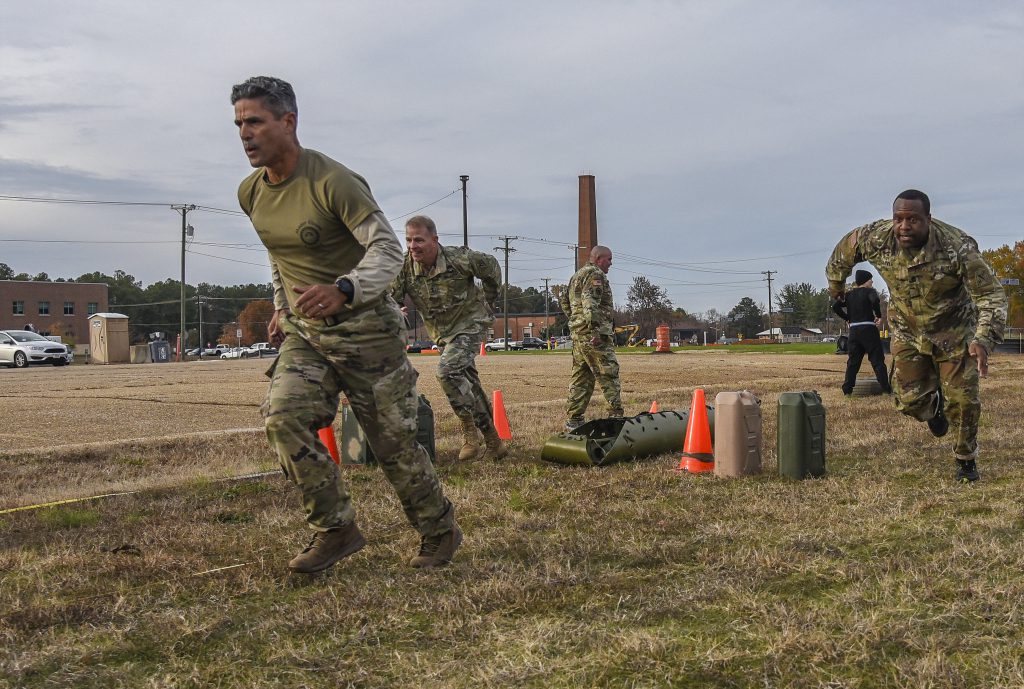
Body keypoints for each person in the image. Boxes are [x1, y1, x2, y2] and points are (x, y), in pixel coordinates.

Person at [231, 75, 460, 573]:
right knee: (283, 416)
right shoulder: (251, 193)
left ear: (288, 122)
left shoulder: (332, 182)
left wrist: (345, 287)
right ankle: (336, 529)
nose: (244, 134)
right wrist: (279, 305)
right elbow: (279, 257)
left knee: (393, 445)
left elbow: (386, 249)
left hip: (369, 333)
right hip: (309, 336)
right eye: (238, 124)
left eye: (254, 122)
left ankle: (439, 530)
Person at [825, 189, 1006, 482]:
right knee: (908, 401)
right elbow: (841, 255)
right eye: (899, 219)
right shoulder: (876, 237)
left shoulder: (957, 248)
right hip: (908, 331)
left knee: (963, 401)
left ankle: (965, 460)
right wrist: (835, 287)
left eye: (913, 220)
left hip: (953, 331)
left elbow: (992, 295)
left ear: (929, 220)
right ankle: (934, 410)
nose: (904, 226)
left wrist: (983, 338)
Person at [390, 216, 507, 462]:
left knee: (447, 372)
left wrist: (491, 298)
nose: (413, 246)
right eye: (409, 240)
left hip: (471, 323)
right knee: (469, 384)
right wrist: (395, 311)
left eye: (419, 240)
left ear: (434, 240)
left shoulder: (459, 259)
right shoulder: (403, 267)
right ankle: (494, 442)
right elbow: (391, 297)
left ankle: (469, 433)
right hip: (443, 334)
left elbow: (492, 267)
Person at [564, 245, 624, 430]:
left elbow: (565, 301)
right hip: (594, 335)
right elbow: (590, 303)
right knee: (608, 373)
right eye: (609, 259)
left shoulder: (577, 275)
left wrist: (576, 322)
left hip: (579, 334)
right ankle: (615, 416)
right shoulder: (595, 275)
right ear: (598, 259)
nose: (611, 263)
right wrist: (595, 330)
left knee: (581, 377)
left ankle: (574, 420)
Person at [832, 269, 892, 395]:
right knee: (877, 360)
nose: (872, 281)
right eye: (870, 279)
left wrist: (848, 318)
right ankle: (886, 389)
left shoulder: (848, 295)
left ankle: (847, 391)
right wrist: (879, 315)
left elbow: (835, 307)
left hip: (854, 332)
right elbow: (875, 301)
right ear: (866, 280)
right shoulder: (870, 292)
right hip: (869, 329)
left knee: (853, 362)